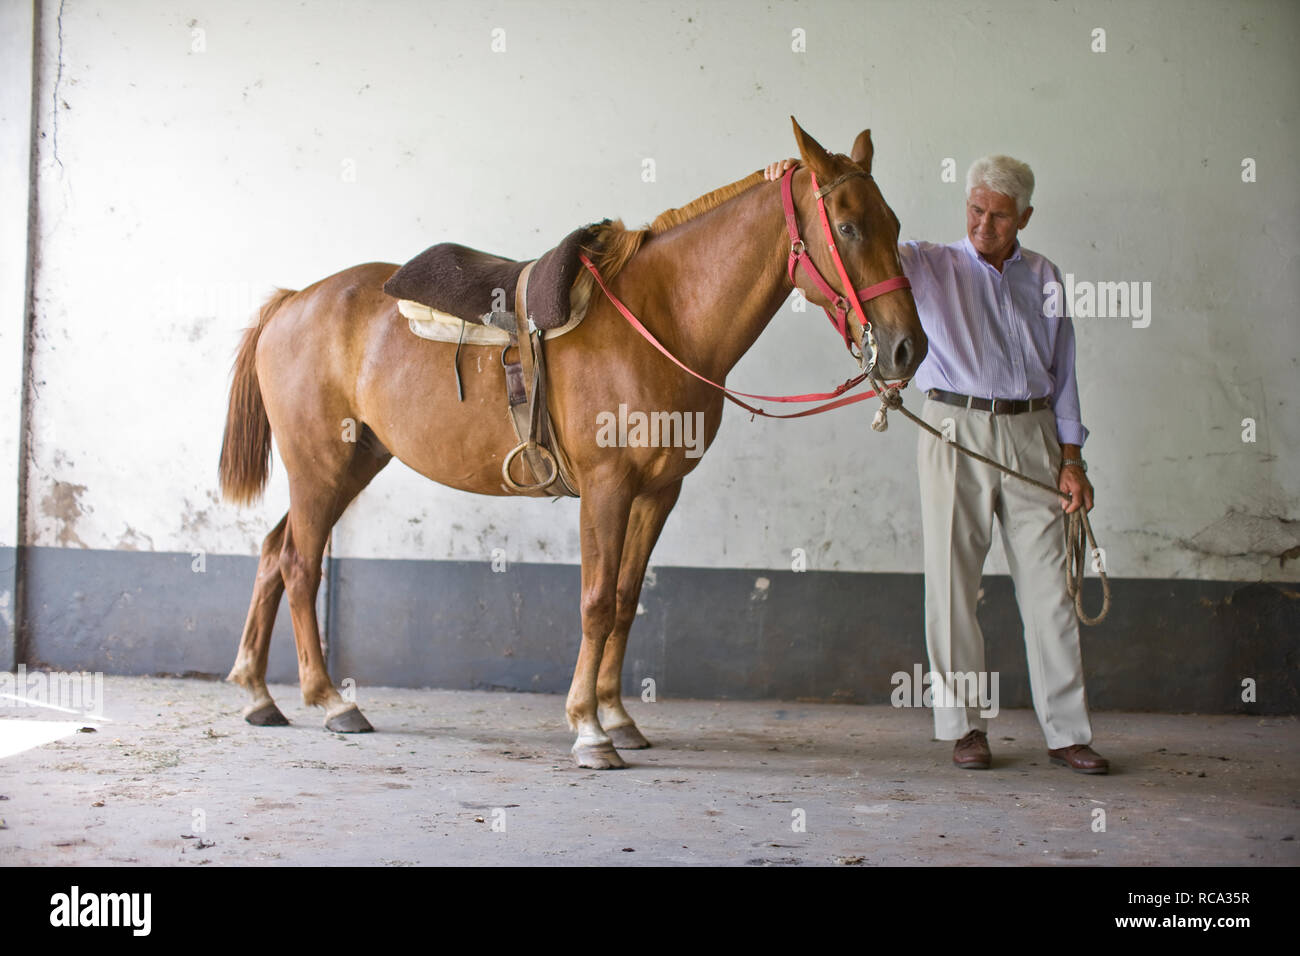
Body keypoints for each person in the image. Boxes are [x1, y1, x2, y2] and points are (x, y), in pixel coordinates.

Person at [765, 154, 1107, 774]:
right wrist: (789, 180)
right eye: (975, 210)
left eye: (999, 216)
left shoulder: (1046, 277)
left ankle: (1066, 733)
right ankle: (965, 727)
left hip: (1033, 431)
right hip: (954, 426)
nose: (983, 225)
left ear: (1024, 216)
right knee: (953, 586)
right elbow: (850, 245)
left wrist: (1072, 458)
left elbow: (1066, 374)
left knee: (1052, 591)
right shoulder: (927, 262)